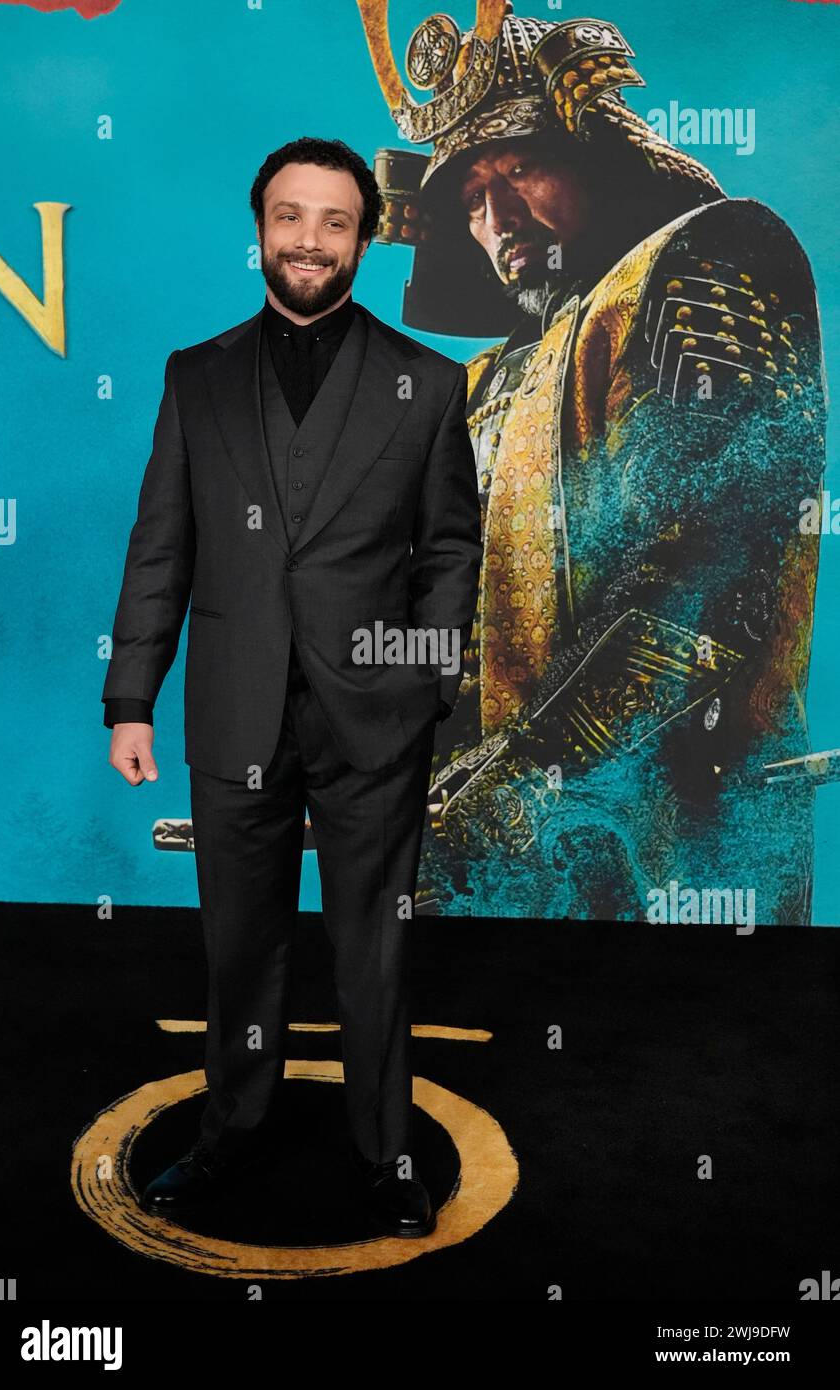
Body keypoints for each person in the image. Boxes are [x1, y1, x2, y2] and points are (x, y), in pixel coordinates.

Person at [361, 2, 827, 924]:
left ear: (596, 158)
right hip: (480, 858)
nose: (497, 216)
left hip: (678, 842)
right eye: (470, 197)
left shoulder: (702, 266)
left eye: (521, 167)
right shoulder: (472, 385)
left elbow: (716, 569)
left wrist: (535, 764)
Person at [101, 136, 483, 1236]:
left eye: (332, 220)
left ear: (365, 237)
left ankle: (382, 1153)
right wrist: (132, 699)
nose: (308, 239)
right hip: (232, 705)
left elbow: (450, 552)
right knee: (239, 941)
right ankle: (229, 1132)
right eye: (288, 216)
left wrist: (424, 685)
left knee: (375, 946)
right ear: (257, 232)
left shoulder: (427, 382)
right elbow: (159, 548)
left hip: (375, 718)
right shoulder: (195, 375)